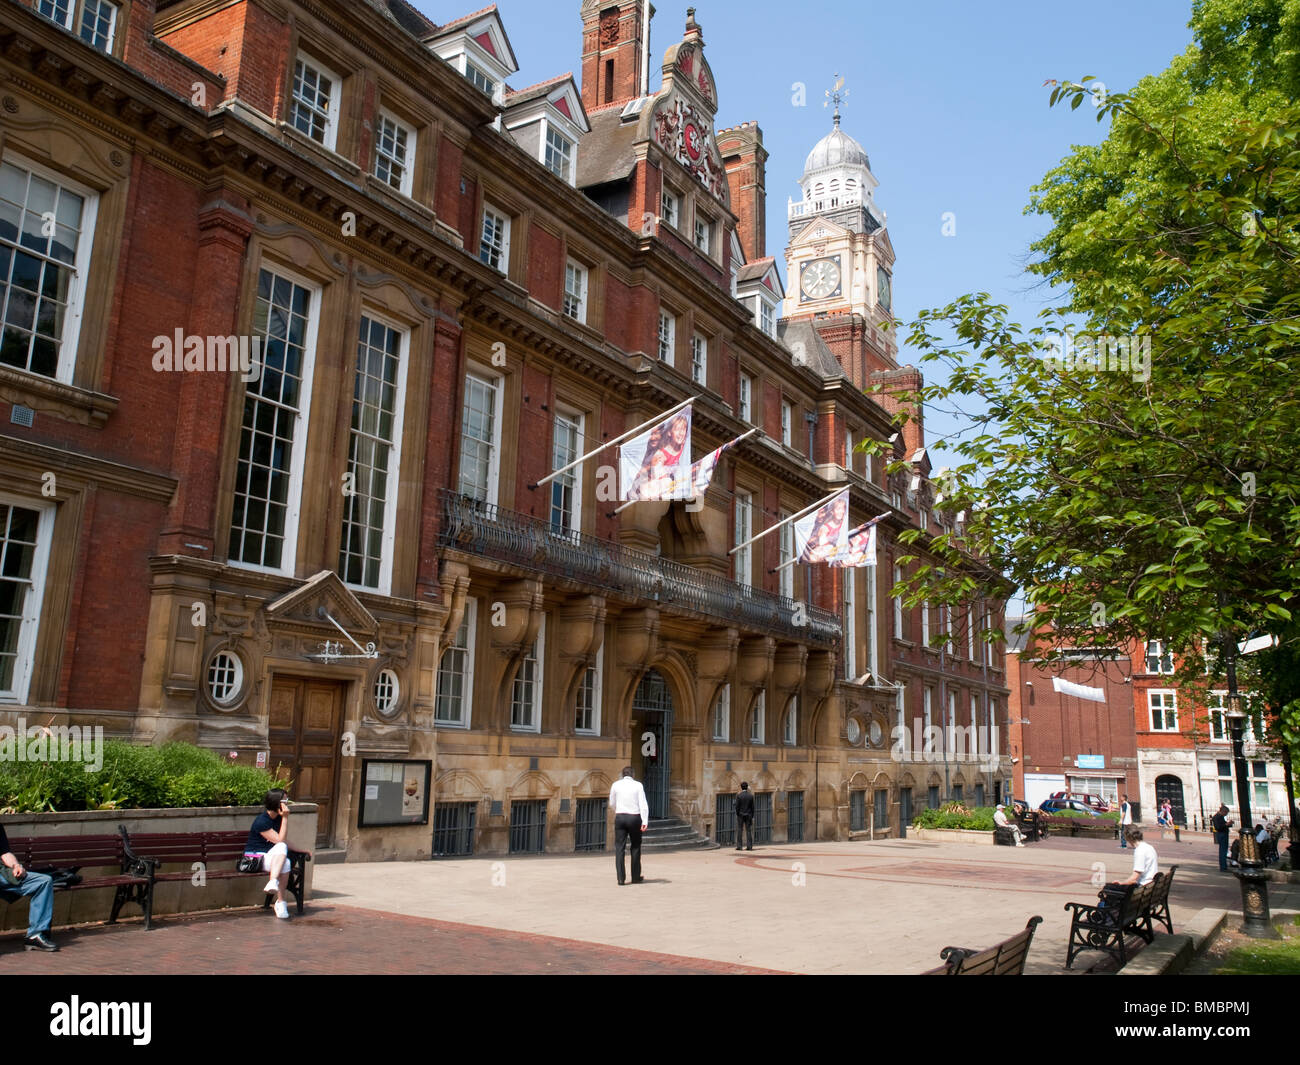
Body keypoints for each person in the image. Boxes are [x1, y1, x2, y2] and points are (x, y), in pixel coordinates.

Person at [245, 788, 310, 918]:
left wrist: (301, 850)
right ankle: (280, 900)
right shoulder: (262, 821)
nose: (287, 803)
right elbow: (280, 841)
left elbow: (283, 840)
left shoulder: (278, 819)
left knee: (285, 862)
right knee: (282, 852)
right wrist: (285, 818)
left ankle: (278, 897)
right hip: (254, 858)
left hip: (271, 858)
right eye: (284, 800)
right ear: (276, 802)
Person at [0, 821, 58, 950]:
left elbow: (5, 853)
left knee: (43, 881)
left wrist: (16, 865)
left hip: (3, 874)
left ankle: (35, 935)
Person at [609, 767, 649, 885]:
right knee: (636, 846)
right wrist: (645, 821)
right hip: (634, 817)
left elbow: (612, 802)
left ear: (622, 775)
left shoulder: (616, 785)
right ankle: (635, 877)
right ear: (633, 774)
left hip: (620, 817)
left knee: (619, 848)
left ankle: (620, 878)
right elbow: (643, 804)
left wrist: (618, 810)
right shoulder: (638, 785)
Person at [1211, 804, 1233, 871]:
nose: (1226, 814)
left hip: (1223, 834)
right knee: (1223, 851)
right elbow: (1218, 827)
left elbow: (1223, 825)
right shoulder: (1217, 817)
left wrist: (1229, 824)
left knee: (1224, 850)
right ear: (1223, 811)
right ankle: (1223, 867)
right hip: (1222, 834)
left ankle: (1224, 866)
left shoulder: (1220, 817)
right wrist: (1226, 824)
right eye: (1226, 813)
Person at [735, 782, 755, 851]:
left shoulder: (739, 796)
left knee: (740, 830)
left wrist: (738, 814)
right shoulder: (750, 796)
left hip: (740, 815)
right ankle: (749, 846)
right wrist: (752, 815)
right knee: (748, 830)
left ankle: (739, 846)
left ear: (741, 787)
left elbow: (737, 807)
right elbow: (752, 807)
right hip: (748, 815)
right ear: (747, 787)